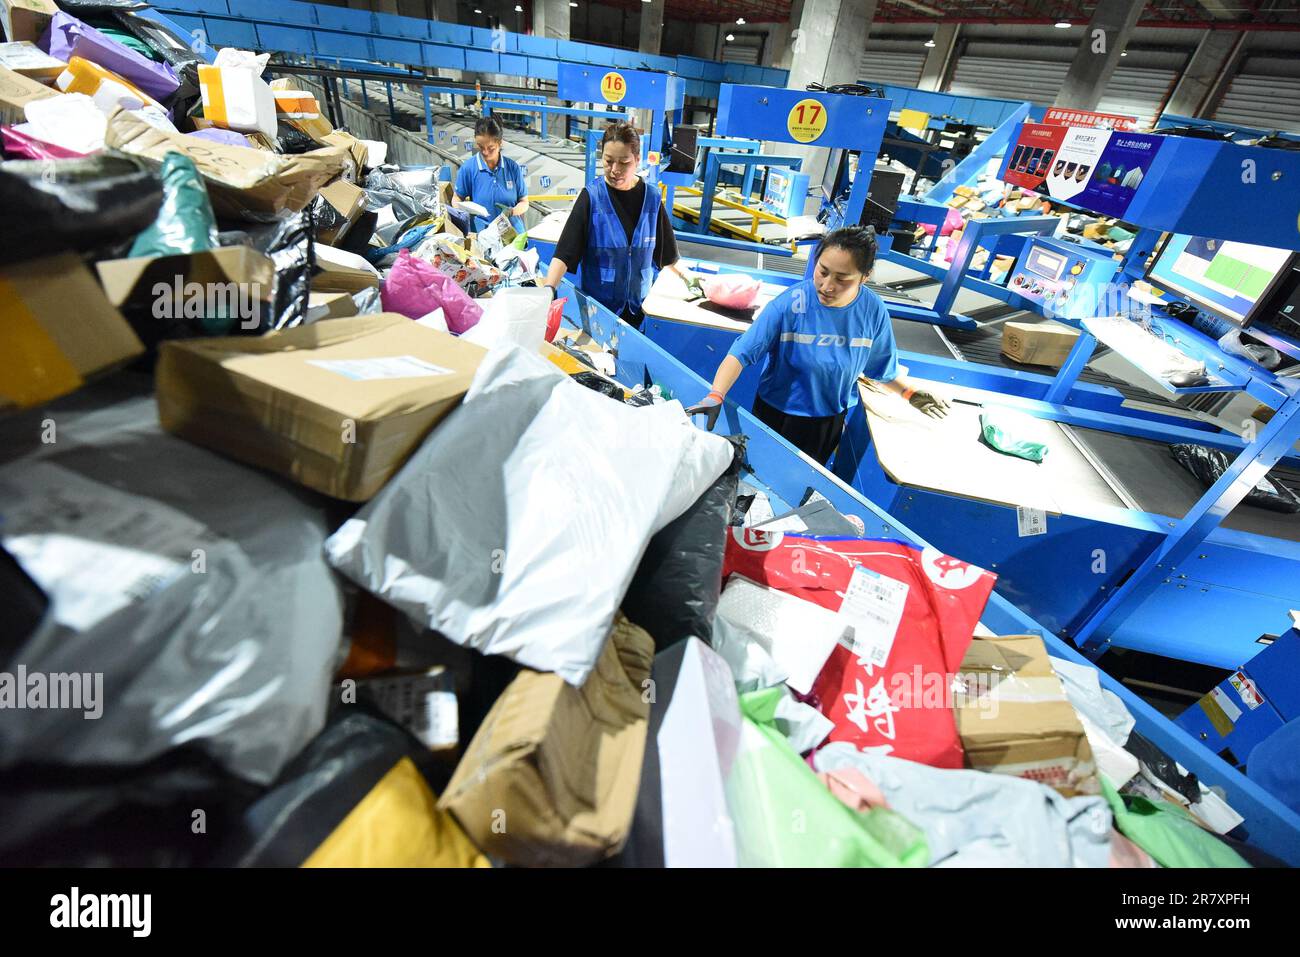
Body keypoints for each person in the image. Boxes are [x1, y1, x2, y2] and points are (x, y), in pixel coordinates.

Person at [688, 226, 950, 466]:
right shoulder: (790, 304)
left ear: (865, 277)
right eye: (822, 271)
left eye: (842, 279)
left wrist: (910, 394)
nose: (827, 285)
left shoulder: (872, 311)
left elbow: (880, 368)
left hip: (826, 423)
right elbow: (741, 352)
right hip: (775, 416)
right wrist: (715, 395)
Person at [542, 121, 691, 330]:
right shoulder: (591, 197)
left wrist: (693, 281)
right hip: (598, 313)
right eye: (608, 161)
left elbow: (668, 256)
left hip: (638, 311)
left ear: (637, 160)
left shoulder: (652, 200)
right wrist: (549, 289)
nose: (614, 170)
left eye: (624, 162)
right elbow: (565, 252)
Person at [453, 117, 529, 234]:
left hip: (512, 234)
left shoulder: (512, 168)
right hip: (483, 235)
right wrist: (461, 213)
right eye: (481, 147)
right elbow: (457, 198)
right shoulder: (469, 168)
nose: (485, 152)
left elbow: (524, 202)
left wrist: (512, 212)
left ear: (500, 143)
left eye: (491, 148)